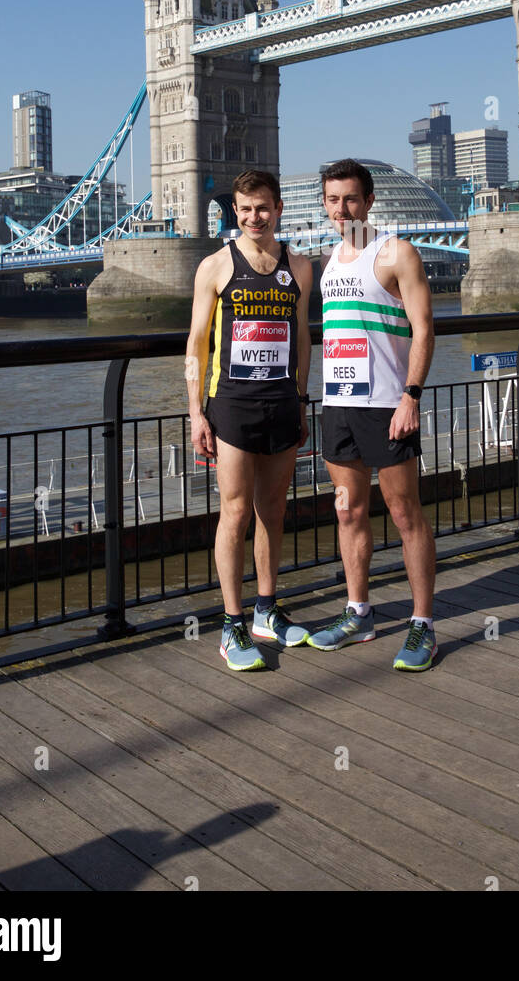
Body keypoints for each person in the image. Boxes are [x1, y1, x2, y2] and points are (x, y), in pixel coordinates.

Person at [306, 158, 437, 670]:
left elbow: (424, 329)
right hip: (339, 404)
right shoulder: (327, 262)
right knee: (348, 511)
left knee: (406, 515)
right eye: (334, 200)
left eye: (352, 199)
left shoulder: (396, 253)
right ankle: (358, 612)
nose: (343, 209)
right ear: (324, 204)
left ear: (369, 201)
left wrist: (411, 396)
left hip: (387, 405)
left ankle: (422, 624)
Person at [186, 170, 313, 671]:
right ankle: (231, 624)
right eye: (244, 209)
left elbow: (302, 337)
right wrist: (195, 411)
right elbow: (196, 344)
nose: (253, 217)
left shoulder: (300, 267)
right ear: (234, 212)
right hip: (232, 405)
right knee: (235, 512)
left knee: (273, 511)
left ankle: (266, 610)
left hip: (282, 401)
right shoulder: (215, 267)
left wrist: (302, 396)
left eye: (262, 208)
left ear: (278, 208)